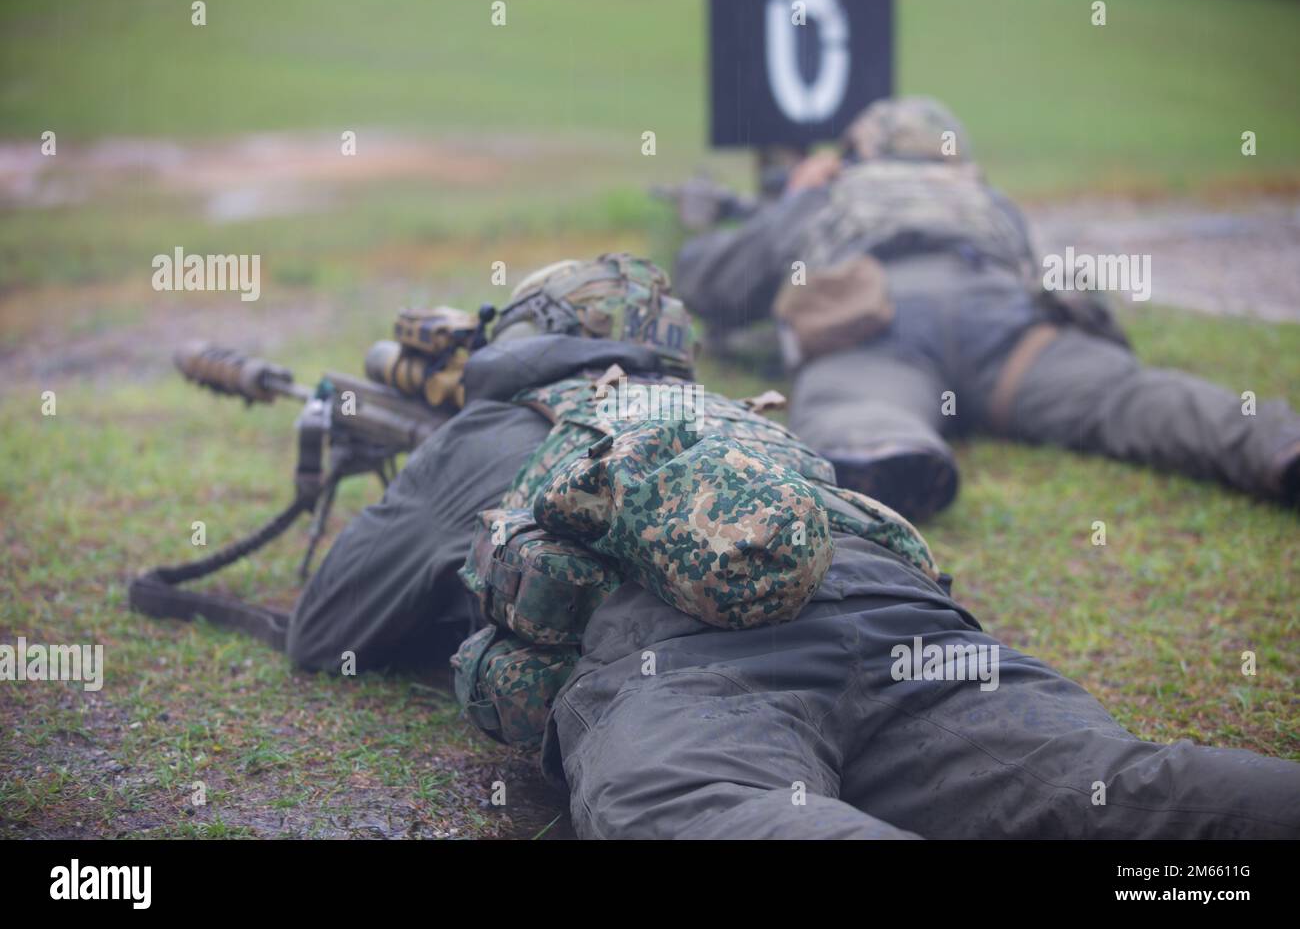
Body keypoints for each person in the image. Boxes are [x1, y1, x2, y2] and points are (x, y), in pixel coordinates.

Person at [288, 254, 1300, 839]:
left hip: (686, 661)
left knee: (696, 806)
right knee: (1120, 786)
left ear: (520, 345)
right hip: (908, 625)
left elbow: (329, 627)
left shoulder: (503, 428)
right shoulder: (736, 416)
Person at [673, 96, 1300, 522]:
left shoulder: (839, 192)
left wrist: (791, 203)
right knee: (1129, 399)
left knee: (853, 403)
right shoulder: (988, 201)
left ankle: (883, 455)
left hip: (878, 323)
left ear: (859, 154)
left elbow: (712, 282)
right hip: (1007, 336)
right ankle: (1270, 445)